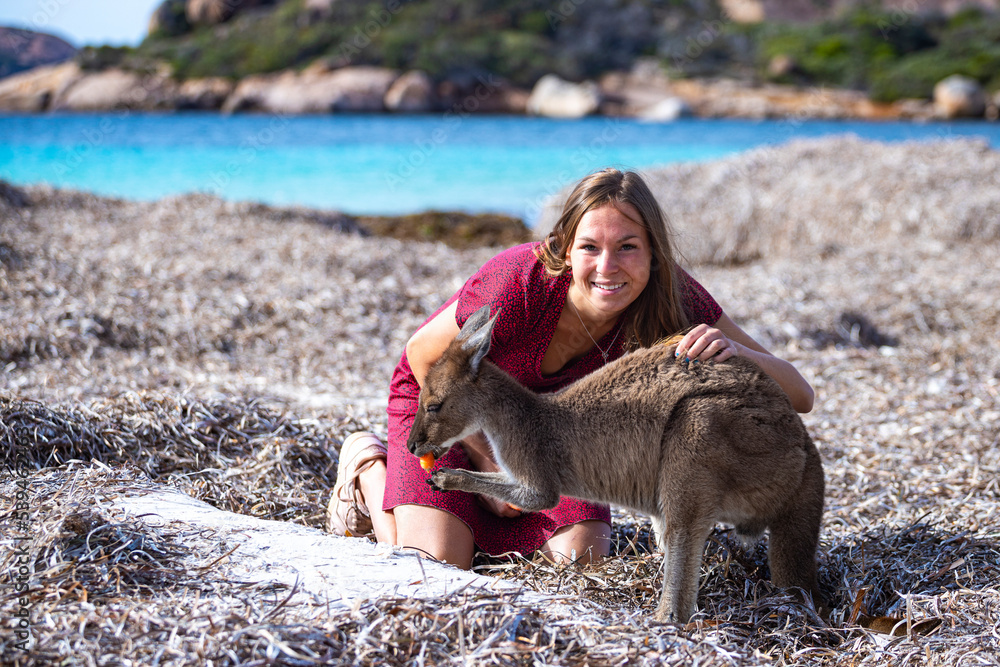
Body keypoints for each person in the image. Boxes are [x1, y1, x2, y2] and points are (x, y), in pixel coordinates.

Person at [327, 168, 814, 569]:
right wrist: (492, 464)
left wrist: (731, 348)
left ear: (653, 252)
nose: (608, 267)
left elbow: (800, 396)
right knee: (433, 570)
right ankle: (370, 470)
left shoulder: (673, 298)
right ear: (565, 246)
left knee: (582, 562)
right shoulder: (518, 284)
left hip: (555, 433)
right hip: (451, 414)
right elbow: (423, 353)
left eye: (627, 246)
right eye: (590, 247)